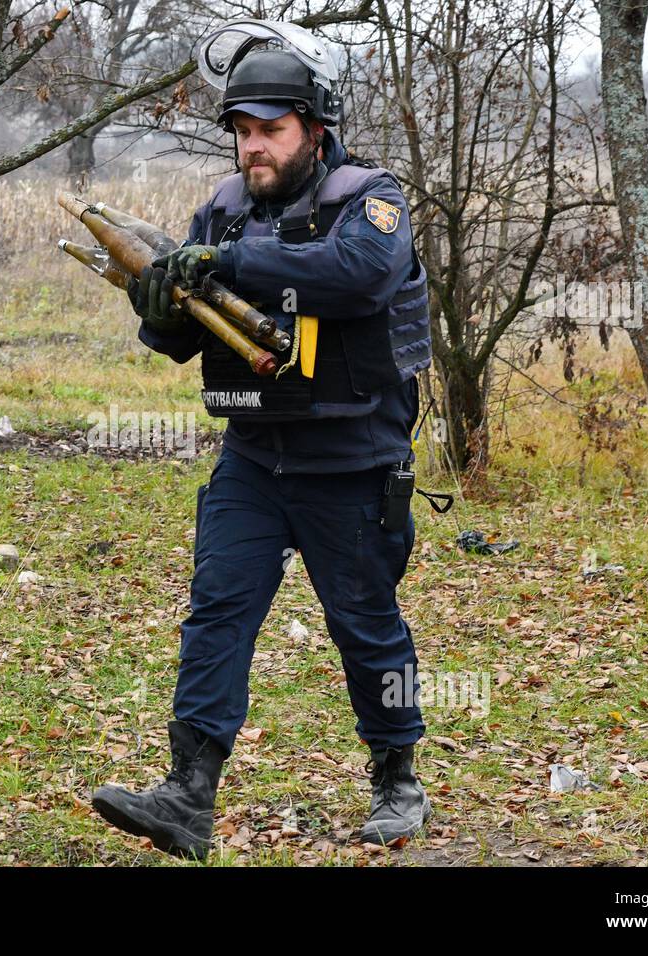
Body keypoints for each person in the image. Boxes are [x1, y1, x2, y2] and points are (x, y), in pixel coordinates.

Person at [90, 22, 435, 861]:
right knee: (219, 609)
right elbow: (178, 339)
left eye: (271, 130)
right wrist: (159, 296)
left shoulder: (371, 199)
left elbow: (353, 275)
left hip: (351, 463)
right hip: (253, 455)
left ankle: (397, 775)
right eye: (242, 131)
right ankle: (188, 794)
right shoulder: (222, 207)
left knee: (365, 622)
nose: (254, 148)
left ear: (314, 130)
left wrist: (232, 260)